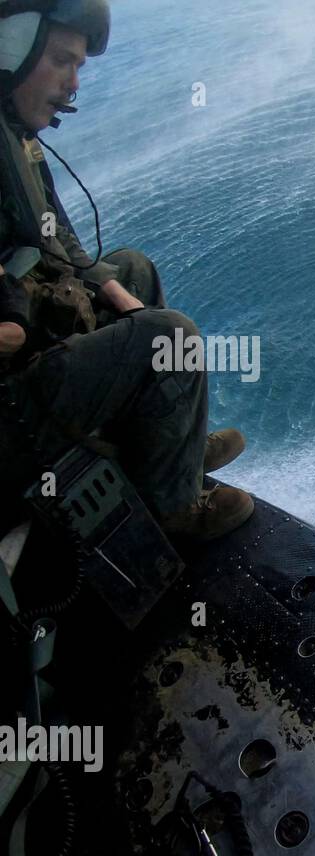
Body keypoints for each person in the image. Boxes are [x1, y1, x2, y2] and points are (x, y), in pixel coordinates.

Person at [0, 0, 252, 541]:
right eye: (61, 61)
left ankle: (164, 451)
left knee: (132, 270)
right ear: (12, 51)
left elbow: (55, 236)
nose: (72, 84)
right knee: (172, 334)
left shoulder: (15, 138)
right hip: (7, 414)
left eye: (78, 67)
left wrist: (114, 290)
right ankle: (174, 510)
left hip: (27, 352)